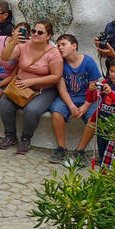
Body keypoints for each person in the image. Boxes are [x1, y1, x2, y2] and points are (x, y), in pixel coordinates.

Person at [0, 20, 64, 153]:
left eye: (40, 32)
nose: (35, 34)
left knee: (32, 110)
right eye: (33, 31)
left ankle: (26, 138)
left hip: (43, 89)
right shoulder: (23, 45)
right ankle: (10, 136)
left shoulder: (54, 53)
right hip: (20, 86)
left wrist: (31, 82)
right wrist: (12, 43)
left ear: (49, 36)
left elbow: (56, 76)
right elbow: (4, 57)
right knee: (4, 104)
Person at [48, 34, 101, 165]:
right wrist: (71, 105)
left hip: (87, 97)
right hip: (68, 97)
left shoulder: (88, 62)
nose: (60, 48)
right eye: (58, 45)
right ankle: (61, 148)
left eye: (63, 44)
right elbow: (62, 89)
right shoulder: (60, 63)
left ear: (74, 46)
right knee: (56, 112)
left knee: (94, 117)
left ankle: (80, 151)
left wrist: (86, 106)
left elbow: (93, 88)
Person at [81, 56, 115, 165]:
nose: (112, 74)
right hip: (102, 122)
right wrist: (91, 91)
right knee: (102, 149)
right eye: (111, 71)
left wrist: (111, 94)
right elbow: (92, 99)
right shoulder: (106, 82)